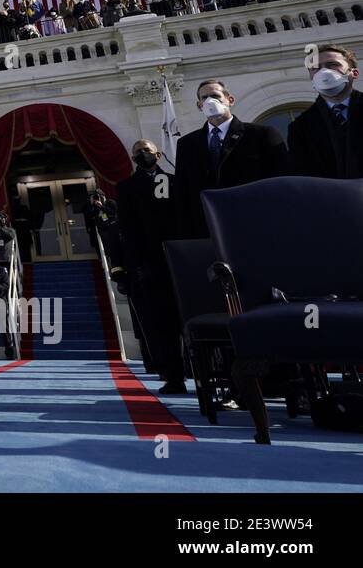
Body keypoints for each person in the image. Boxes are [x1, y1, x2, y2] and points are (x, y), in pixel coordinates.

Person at [173, 79, 289, 238]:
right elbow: (183, 192)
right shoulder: (186, 144)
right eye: (204, 98)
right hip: (209, 229)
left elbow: (280, 181)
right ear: (199, 106)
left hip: (257, 223)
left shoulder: (262, 134)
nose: (209, 101)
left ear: (230, 100)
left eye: (215, 95)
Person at [114, 139, 184, 393]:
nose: (142, 154)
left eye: (146, 150)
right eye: (137, 152)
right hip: (149, 263)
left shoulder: (176, 182)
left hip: (179, 259)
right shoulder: (127, 188)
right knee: (161, 323)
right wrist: (133, 266)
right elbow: (127, 230)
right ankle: (173, 375)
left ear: (159, 154)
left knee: (186, 319)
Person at [288, 44, 363, 178]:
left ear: (354, 73)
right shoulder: (300, 128)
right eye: (314, 68)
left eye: (332, 64)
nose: (323, 72)